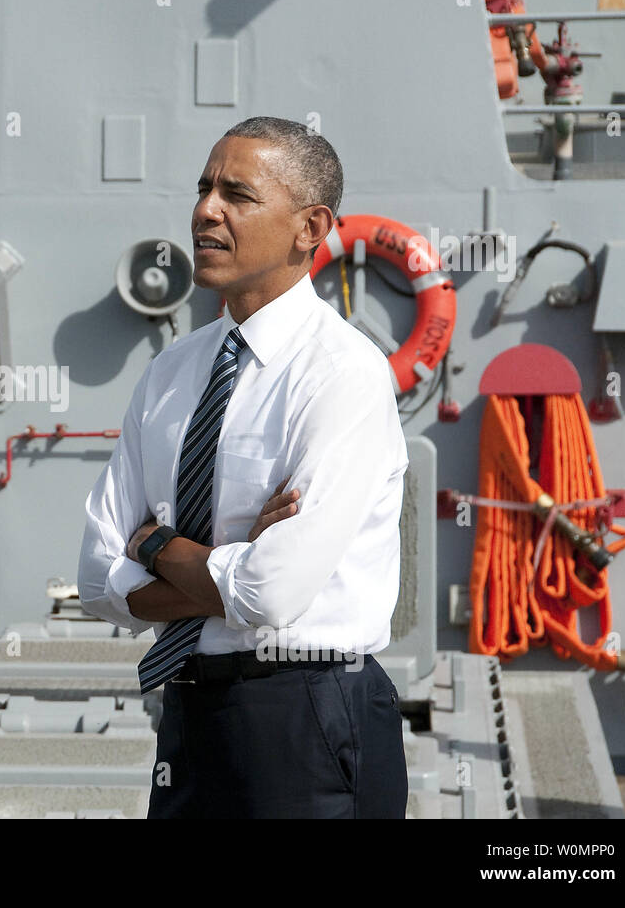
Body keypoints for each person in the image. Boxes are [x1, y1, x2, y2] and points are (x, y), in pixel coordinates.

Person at [77, 117, 409, 818]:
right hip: (188, 714)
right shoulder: (172, 372)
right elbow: (97, 580)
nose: (205, 210)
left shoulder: (343, 375)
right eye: (203, 188)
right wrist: (231, 561)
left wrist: (157, 545)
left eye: (237, 193)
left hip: (308, 720)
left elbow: (273, 592)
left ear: (309, 226)